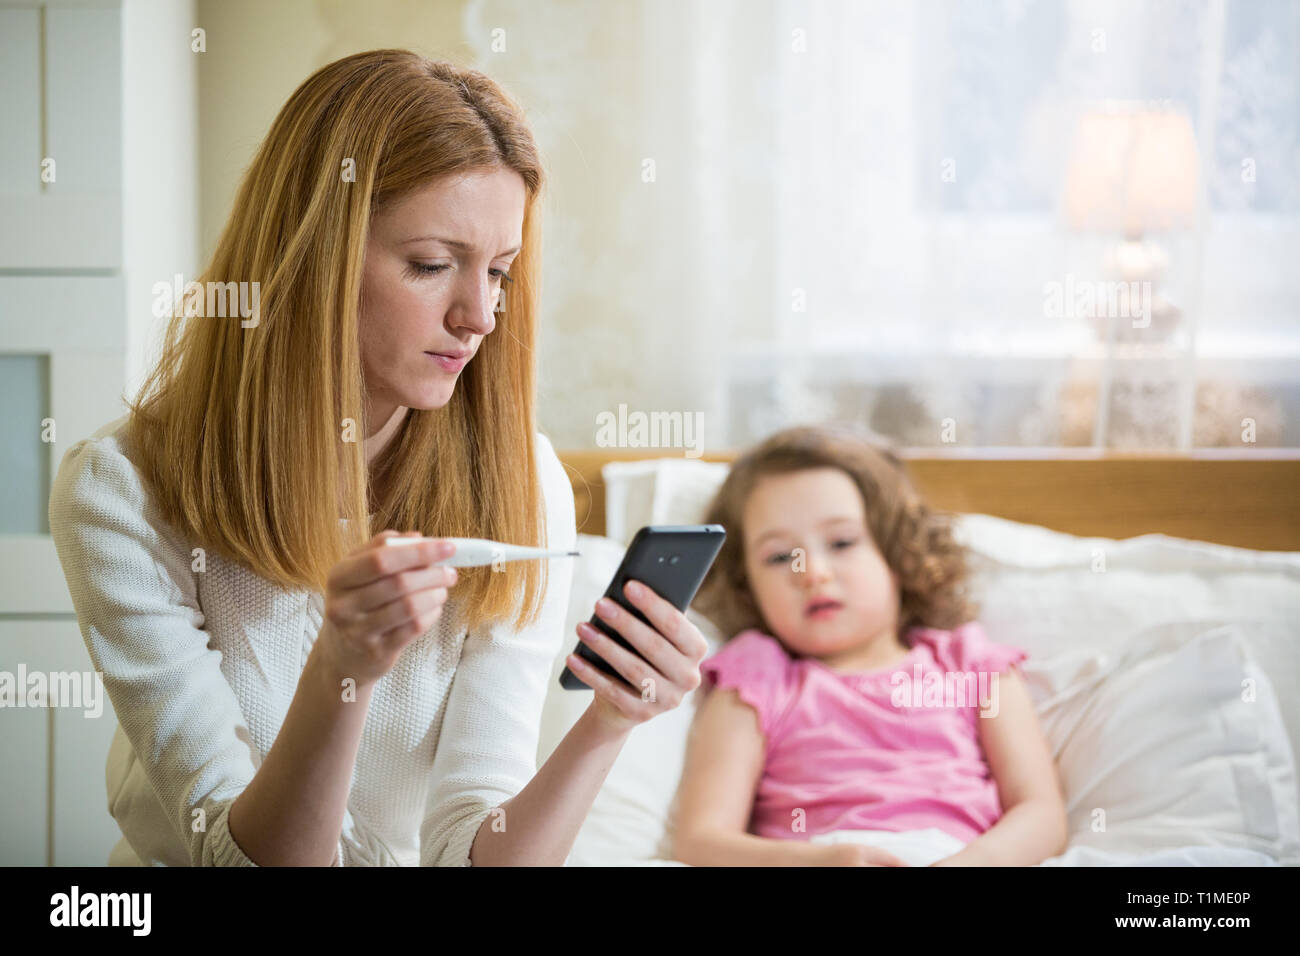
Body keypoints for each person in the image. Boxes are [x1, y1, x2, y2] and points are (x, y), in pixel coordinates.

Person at [47, 49, 709, 867]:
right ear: (312, 254)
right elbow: (235, 856)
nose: (480, 317)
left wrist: (610, 721)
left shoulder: (520, 481)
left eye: (498, 273)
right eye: (432, 265)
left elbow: (476, 845)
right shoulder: (120, 493)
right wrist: (341, 669)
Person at [671, 424, 1067, 866]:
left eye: (841, 542)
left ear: (899, 553)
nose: (812, 572)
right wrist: (821, 863)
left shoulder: (971, 665)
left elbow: (1041, 812)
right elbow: (701, 838)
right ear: (748, 585)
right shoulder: (756, 675)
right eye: (780, 556)